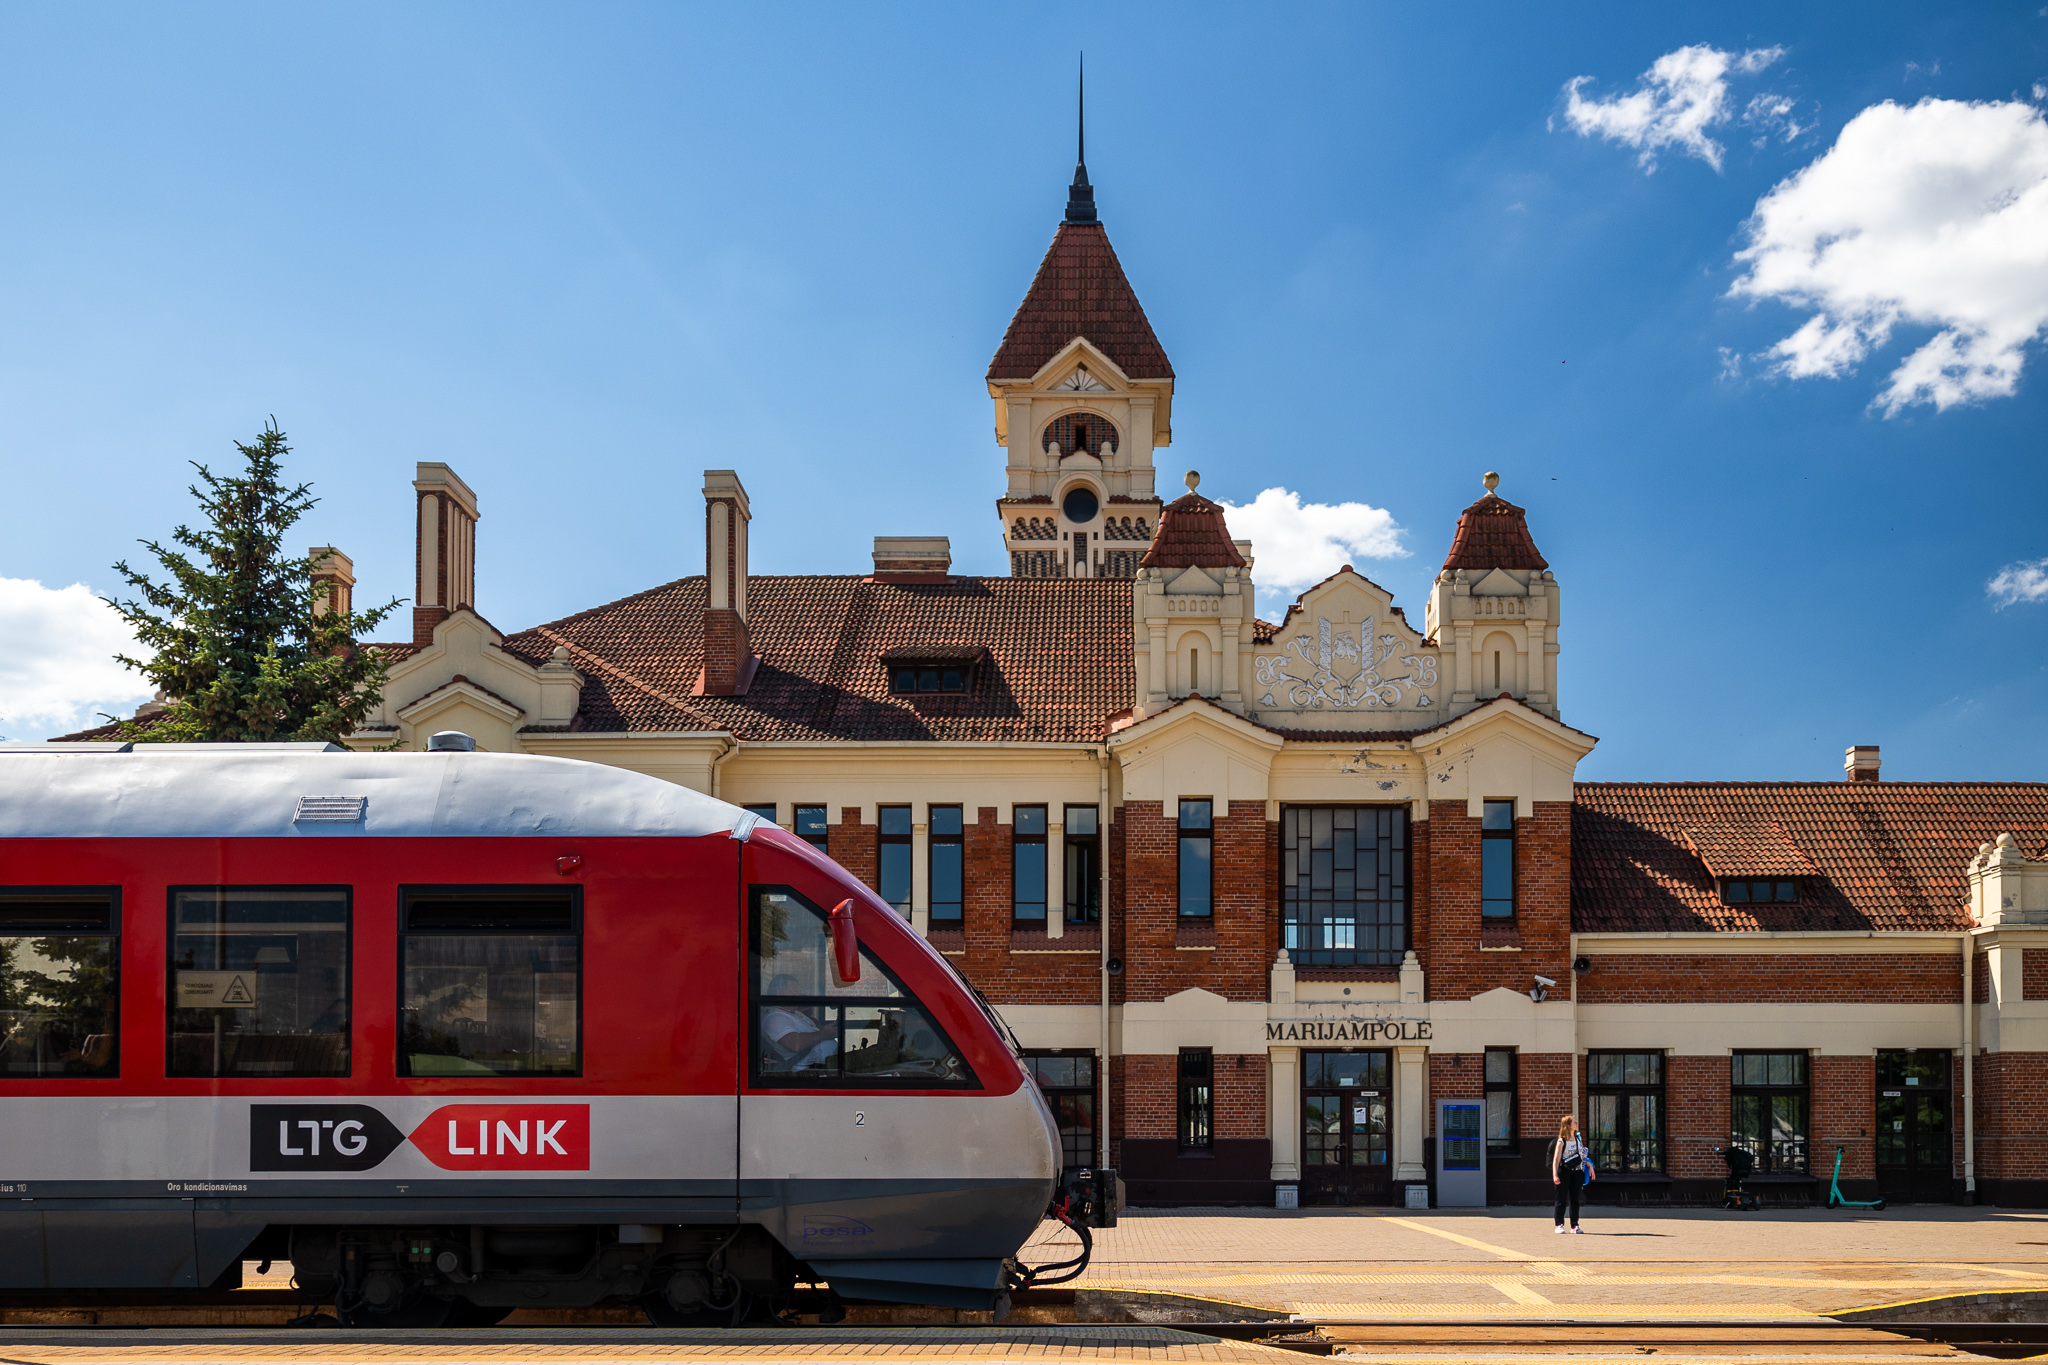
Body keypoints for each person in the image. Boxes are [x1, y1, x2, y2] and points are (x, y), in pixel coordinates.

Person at [1551, 1113, 1595, 1233]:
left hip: (1577, 1172)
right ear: (1569, 1125)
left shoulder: (1577, 1139)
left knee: (1575, 1199)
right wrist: (1555, 1174)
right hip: (1564, 1172)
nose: (1577, 1123)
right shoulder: (1561, 1141)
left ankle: (1574, 1225)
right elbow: (1556, 1159)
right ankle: (1559, 1224)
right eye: (1574, 1122)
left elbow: (1582, 1156)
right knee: (1561, 1199)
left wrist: (1589, 1165)